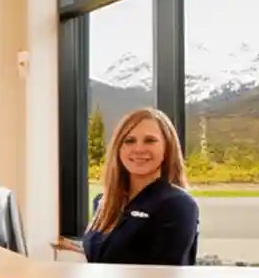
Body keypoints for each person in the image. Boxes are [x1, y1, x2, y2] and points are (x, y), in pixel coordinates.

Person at [82, 107, 199, 265]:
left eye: (150, 140)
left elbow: (163, 274)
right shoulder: (103, 202)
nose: (138, 149)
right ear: (118, 148)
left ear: (167, 147)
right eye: (129, 141)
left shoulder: (178, 205)